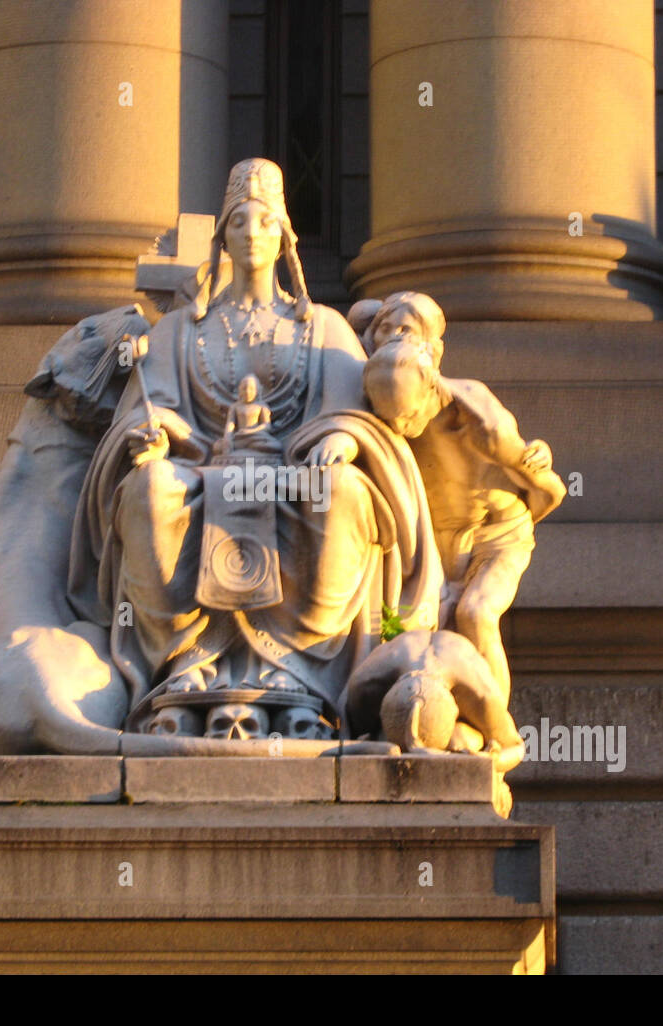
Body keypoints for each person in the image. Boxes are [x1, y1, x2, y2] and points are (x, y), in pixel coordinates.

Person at [68, 159, 444, 734]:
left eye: (265, 221)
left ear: (285, 237)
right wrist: (151, 436)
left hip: (295, 480)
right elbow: (146, 411)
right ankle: (182, 666)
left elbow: (359, 418)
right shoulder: (180, 330)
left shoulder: (323, 328)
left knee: (343, 491)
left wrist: (344, 437)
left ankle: (300, 671)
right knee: (149, 488)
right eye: (239, 222)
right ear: (222, 237)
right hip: (200, 475)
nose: (251, 233)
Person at [362, 309, 565, 721]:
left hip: (495, 537)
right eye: (390, 416)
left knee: (475, 613)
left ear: (430, 381)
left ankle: (497, 732)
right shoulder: (384, 392)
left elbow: (550, 493)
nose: (400, 425)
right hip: (431, 540)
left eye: (407, 414)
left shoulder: (481, 422)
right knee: (417, 629)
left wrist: (536, 463)